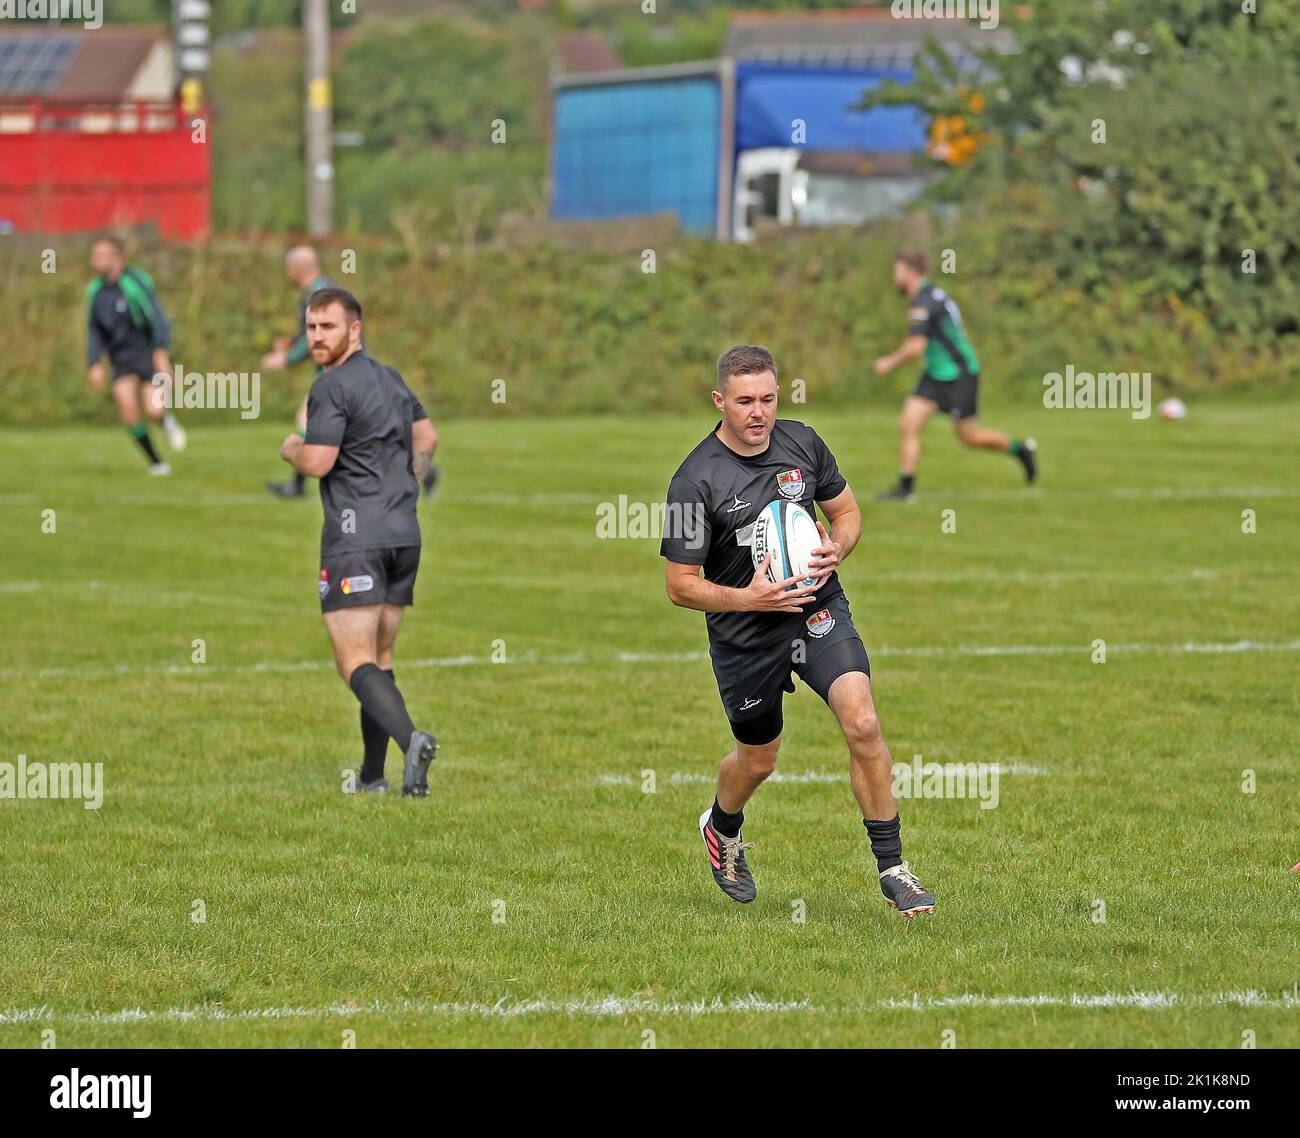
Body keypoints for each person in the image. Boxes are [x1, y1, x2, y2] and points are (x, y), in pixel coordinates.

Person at [660, 344, 935, 917]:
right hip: (744, 633)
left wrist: (838, 546)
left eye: (767, 398)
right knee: (758, 760)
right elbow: (680, 585)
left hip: (816, 608)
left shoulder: (803, 443)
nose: (757, 412)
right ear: (720, 402)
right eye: (743, 402)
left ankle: (894, 869)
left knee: (863, 721)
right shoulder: (692, 481)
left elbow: (849, 513)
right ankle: (723, 827)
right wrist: (749, 598)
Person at [278, 287, 440, 796]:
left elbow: (320, 460)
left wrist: (291, 450)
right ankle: (373, 778)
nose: (317, 337)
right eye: (311, 327)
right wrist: (407, 484)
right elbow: (428, 439)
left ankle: (411, 738)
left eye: (327, 327)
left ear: (355, 329)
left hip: (356, 540)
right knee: (380, 658)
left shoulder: (330, 387)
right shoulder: (391, 378)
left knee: (353, 661)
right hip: (403, 535)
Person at [873, 251, 1036, 500]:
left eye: (897, 271)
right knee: (909, 423)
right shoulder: (929, 295)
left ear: (908, 271)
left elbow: (916, 346)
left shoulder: (924, 302)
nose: (895, 277)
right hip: (935, 375)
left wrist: (889, 362)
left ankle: (1019, 450)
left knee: (969, 437)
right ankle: (905, 488)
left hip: (959, 376)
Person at [85, 237, 186, 474]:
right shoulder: (95, 291)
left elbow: (157, 319)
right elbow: (93, 329)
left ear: (116, 257)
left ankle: (166, 421)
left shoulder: (135, 283)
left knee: (154, 411)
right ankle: (157, 463)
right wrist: (94, 362)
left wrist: (161, 352)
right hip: (119, 359)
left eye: (99, 255)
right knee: (129, 413)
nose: (94, 261)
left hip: (146, 354)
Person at [264, 246, 336, 499]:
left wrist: (287, 359)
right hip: (340, 369)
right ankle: (423, 469)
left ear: (295, 270)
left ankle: (297, 486)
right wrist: (292, 343)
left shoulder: (317, 294)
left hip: (336, 371)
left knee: (306, 419)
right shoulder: (323, 290)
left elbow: (316, 337)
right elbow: (314, 334)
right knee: (360, 433)